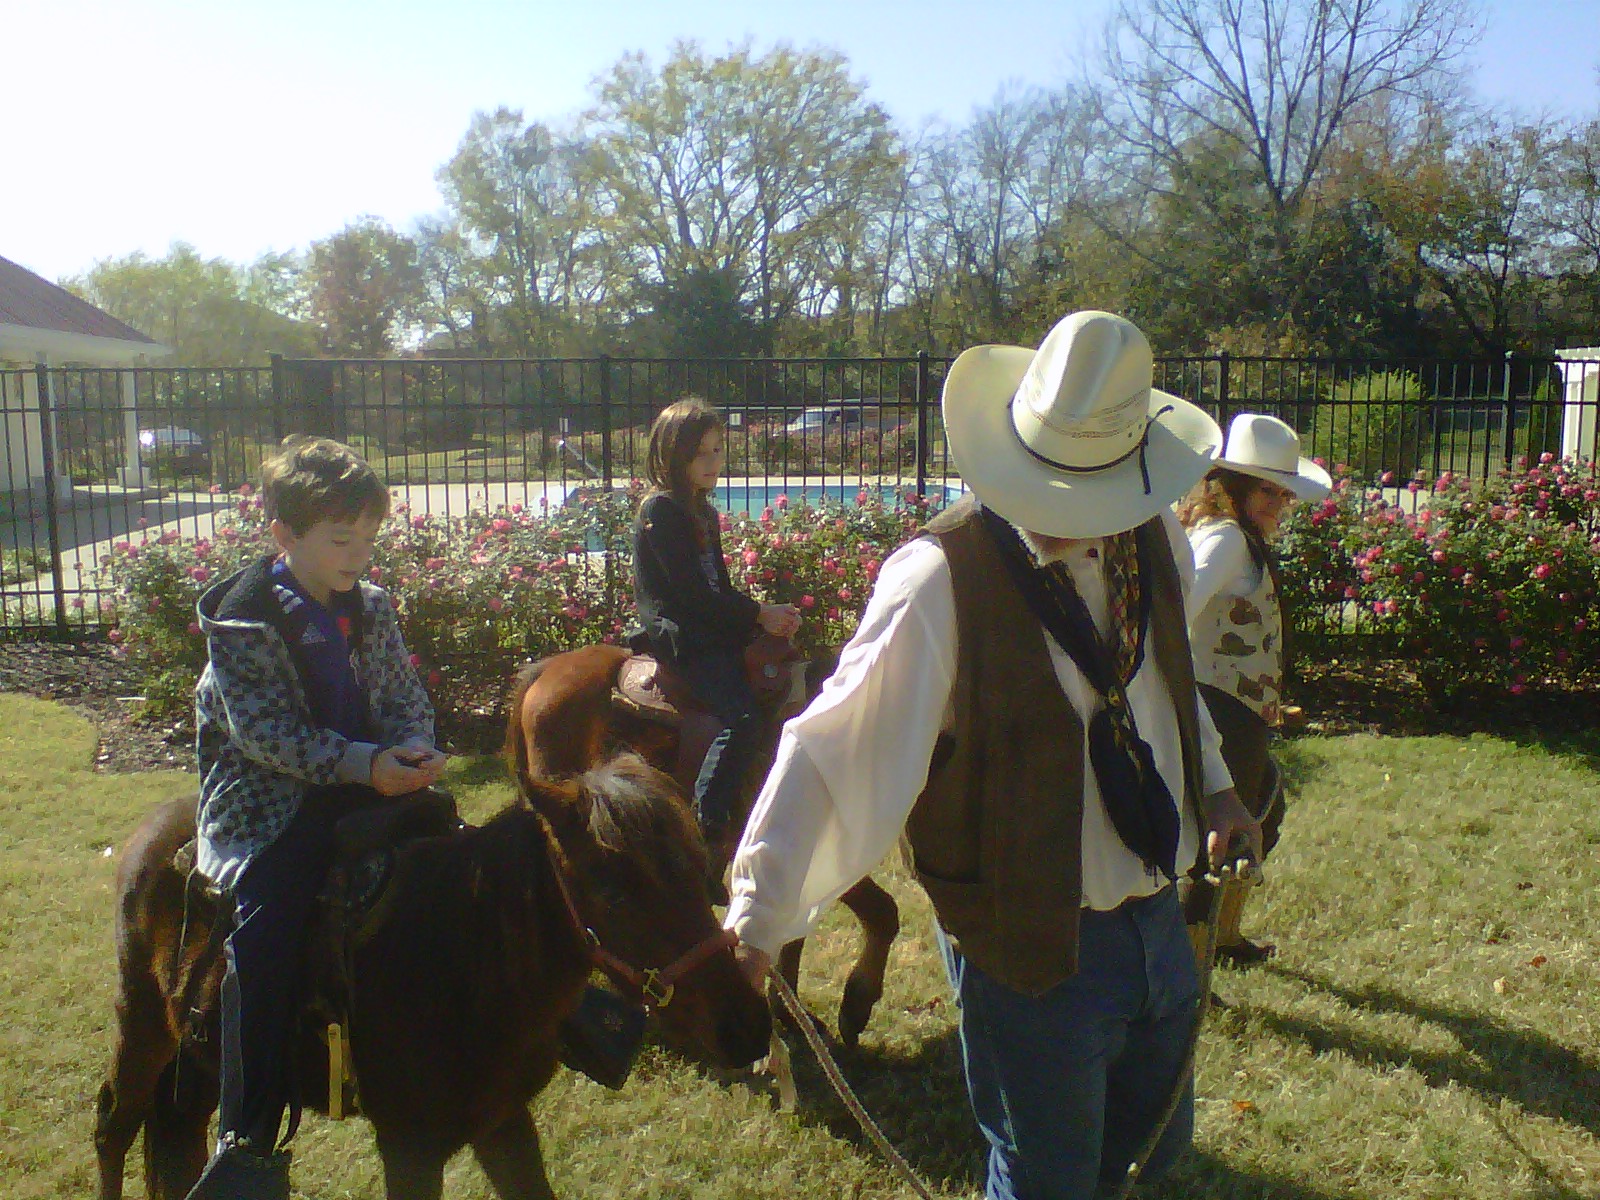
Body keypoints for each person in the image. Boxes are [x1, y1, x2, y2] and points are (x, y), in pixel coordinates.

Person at [725, 311, 1261, 1200]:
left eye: (1081, 490)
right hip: (1026, 952)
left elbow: (1171, 690)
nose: (1057, 514)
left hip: (1161, 925)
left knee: (1154, 1156)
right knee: (1047, 1178)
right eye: (1044, 483)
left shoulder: (1157, 538)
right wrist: (756, 917)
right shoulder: (939, 581)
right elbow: (832, 749)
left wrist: (1220, 790)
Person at [185, 436, 447, 1199]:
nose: (359, 554)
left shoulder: (370, 606)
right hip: (274, 799)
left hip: (366, 779)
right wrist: (367, 764)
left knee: (465, 863)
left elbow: (402, 692)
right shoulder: (242, 622)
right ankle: (248, 1134)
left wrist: (415, 746)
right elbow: (266, 735)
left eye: (369, 538)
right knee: (265, 932)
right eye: (342, 539)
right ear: (285, 537)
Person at [1177, 413, 1330, 967]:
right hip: (1220, 710)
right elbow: (1173, 612)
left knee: (1264, 808)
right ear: (1233, 487)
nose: (1280, 504)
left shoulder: (1238, 538)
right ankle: (1192, 966)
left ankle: (1221, 939)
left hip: (1239, 708)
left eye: (1284, 494)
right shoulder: (1224, 542)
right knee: (1221, 842)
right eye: (1268, 491)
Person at [632, 397, 800, 863]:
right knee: (742, 718)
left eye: (718, 449)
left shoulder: (700, 509)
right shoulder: (662, 511)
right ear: (672, 455)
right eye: (700, 452)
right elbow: (689, 596)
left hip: (710, 627)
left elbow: (718, 585)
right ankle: (706, 824)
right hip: (683, 636)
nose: (713, 462)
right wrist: (757, 613)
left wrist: (765, 614)